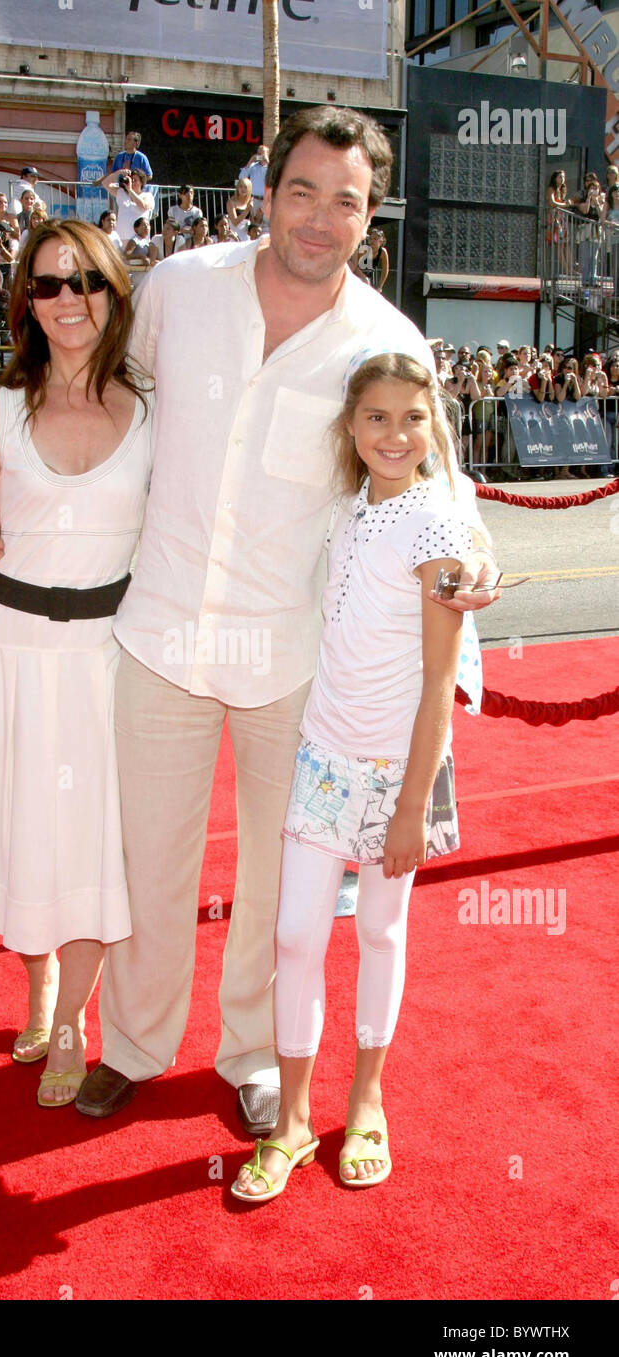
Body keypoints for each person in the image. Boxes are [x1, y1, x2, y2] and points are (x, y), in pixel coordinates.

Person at [45, 105, 500, 1131]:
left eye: (346, 201)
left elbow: (444, 478)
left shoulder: (385, 338)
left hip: (296, 655)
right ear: (266, 187)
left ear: (369, 216)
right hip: (159, 627)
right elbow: (112, 398)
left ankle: (250, 1051)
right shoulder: (179, 289)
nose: (318, 218)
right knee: (145, 860)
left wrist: (473, 555)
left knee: (269, 878)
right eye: (302, 190)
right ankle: (137, 1040)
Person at [0, 219, 153, 1108]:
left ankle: (72, 1022)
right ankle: (39, 987)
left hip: (104, 663)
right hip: (6, 652)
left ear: (112, 292)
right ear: (26, 301)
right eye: (47, 285)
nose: (66, 301)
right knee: (21, 842)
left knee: (92, 850)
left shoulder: (154, 413)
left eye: (83, 281)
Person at [231, 351, 473, 1201]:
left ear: (432, 422)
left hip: (398, 770)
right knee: (295, 935)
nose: (395, 434)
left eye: (412, 417)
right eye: (377, 417)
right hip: (321, 760)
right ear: (351, 426)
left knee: (379, 931)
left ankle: (365, 1101)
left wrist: (413, 802)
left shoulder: (439, 528)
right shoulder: (345, 512)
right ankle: (294, 1120)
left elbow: (440, 679)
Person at [102, 167, 155, 245]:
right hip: (121, 238)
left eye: (135, 180)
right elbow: (105, 183)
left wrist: (130, 190)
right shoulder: (121, 193)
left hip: (139, 240)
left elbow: (143, 205)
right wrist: (118, 172)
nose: (132, 182)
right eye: (131, 180)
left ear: (141, 182)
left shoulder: (147, 196)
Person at [238, 145, 270, 215]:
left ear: (267, 154)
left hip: (267, 200)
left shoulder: (271, 167)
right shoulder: (253, 166)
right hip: (255, 200)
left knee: (267, 223)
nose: (261, 155)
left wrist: (268, 162)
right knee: (255, 223)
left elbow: (276, 177)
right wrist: (250, 161)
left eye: (263, 153)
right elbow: (241, 177)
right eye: (259, 154)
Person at [226, 176, 259, 241]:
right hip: (234, 235)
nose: (243, 189)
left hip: (246, 236)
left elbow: (253, 222)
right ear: (237, 188)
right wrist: (247, 210)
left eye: (245, 187)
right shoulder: (231, 202)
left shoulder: (250, 202)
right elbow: (234, 222)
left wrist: (258, 216)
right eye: (241, 187)